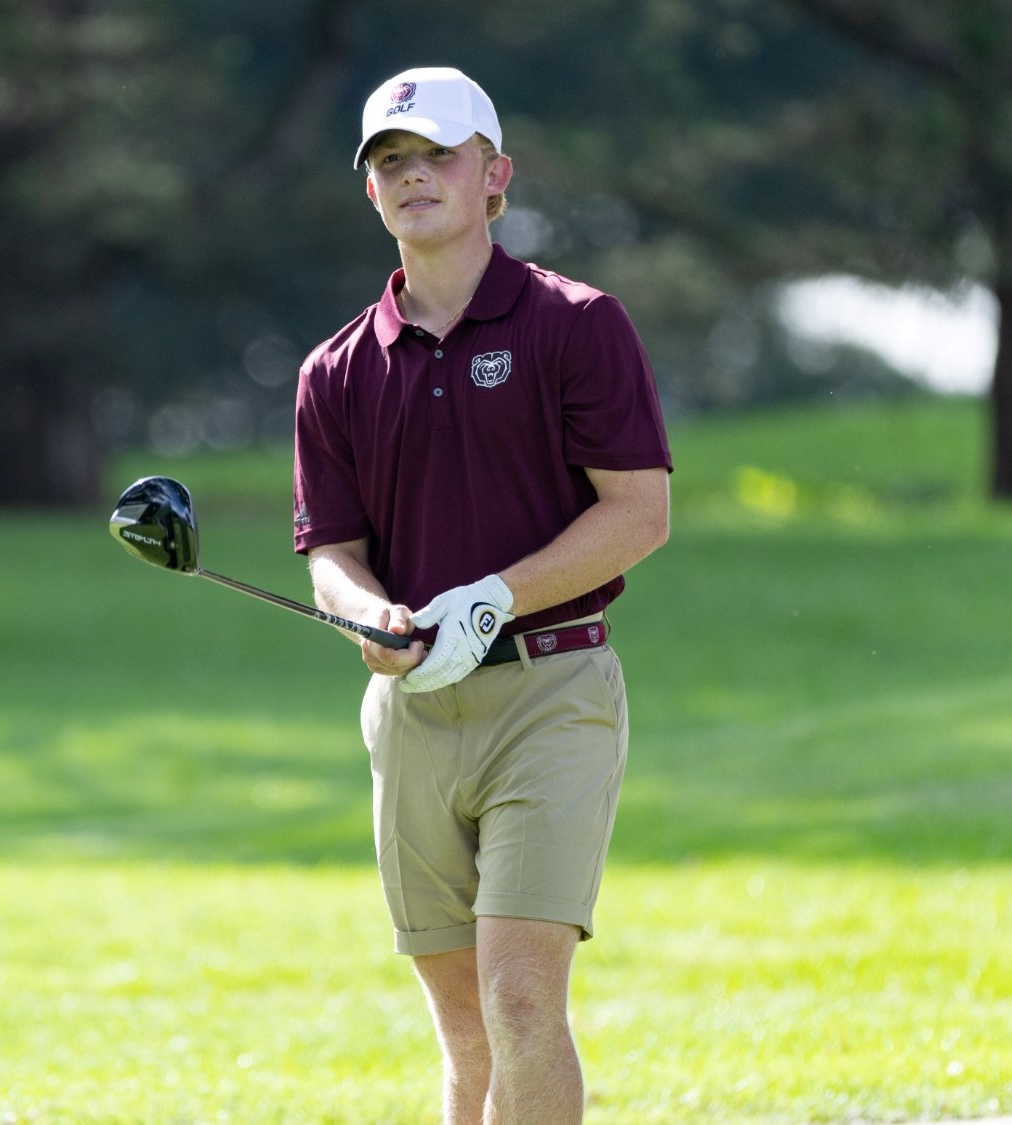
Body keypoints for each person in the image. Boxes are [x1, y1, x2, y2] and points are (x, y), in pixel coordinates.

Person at [292, 65, 673, 1125]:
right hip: (411, 714)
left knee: (517, 999)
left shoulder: (575, 323)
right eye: (390, 163)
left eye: (436, 157)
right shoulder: (336, 370)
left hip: (552, 692)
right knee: (463, 1027)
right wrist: (370, 615)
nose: (412, 178)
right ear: (371, 194)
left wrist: (487, 600)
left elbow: (638, 514)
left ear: (494, 175)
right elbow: (332, 548)